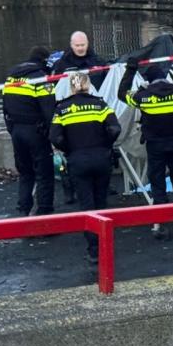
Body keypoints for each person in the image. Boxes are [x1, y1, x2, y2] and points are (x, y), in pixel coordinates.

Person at [117, 57, 173, 230]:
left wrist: (130, 70)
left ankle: (163, 224)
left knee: (158, 184)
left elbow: (121, 94)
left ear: (148, 80)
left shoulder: (143, 96)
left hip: (155, 147)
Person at [50, 72, 121, 263]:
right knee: (101, 202)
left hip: (78, 160)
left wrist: (69, 150)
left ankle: (93, 250)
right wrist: (105, 145)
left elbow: (55, 137)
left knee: (87, 206)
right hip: (101, 158)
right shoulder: (100, 104)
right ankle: (106, 245)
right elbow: (115, 128)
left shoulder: (62, 109)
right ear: (88, 86)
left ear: (71, 87)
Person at [51, 31, 107, 204]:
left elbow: (106, 79)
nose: (81, 48)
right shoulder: (62, 64)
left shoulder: (97, 61)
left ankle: (100, 187)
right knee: (64, 160)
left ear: (87, 43)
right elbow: (54, 86)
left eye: (83, 45)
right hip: (70, 112)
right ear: (71, 44)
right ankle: (68, 187)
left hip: (92, 110)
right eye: (77, 46)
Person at [3, 46, 56, 217]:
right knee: (44, 174)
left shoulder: (11, 78)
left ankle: (23, 211)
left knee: (26, 173)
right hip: (36, 132)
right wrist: (52, 135)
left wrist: (12, 130)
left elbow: (5, 109)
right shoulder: (40, 78)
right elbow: (49, 111)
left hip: (17, 131)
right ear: (45, 61)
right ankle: (44, 214)